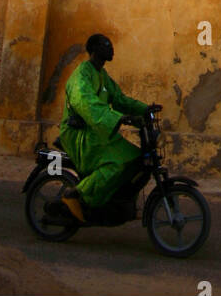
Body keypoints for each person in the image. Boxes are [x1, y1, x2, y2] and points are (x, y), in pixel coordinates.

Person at [56, 34, 150, 223]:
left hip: (97, 132)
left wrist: (144, 110)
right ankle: (76, 193)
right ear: (94, 50)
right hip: (80, 134)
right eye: (105, 45)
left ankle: (111, 201)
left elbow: (119, 99)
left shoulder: (102, 75)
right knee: (115, 164)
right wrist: (118, 118)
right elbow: (87, 103)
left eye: (110, 45)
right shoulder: (82, 75)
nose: (110, 48)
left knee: (134, 158)